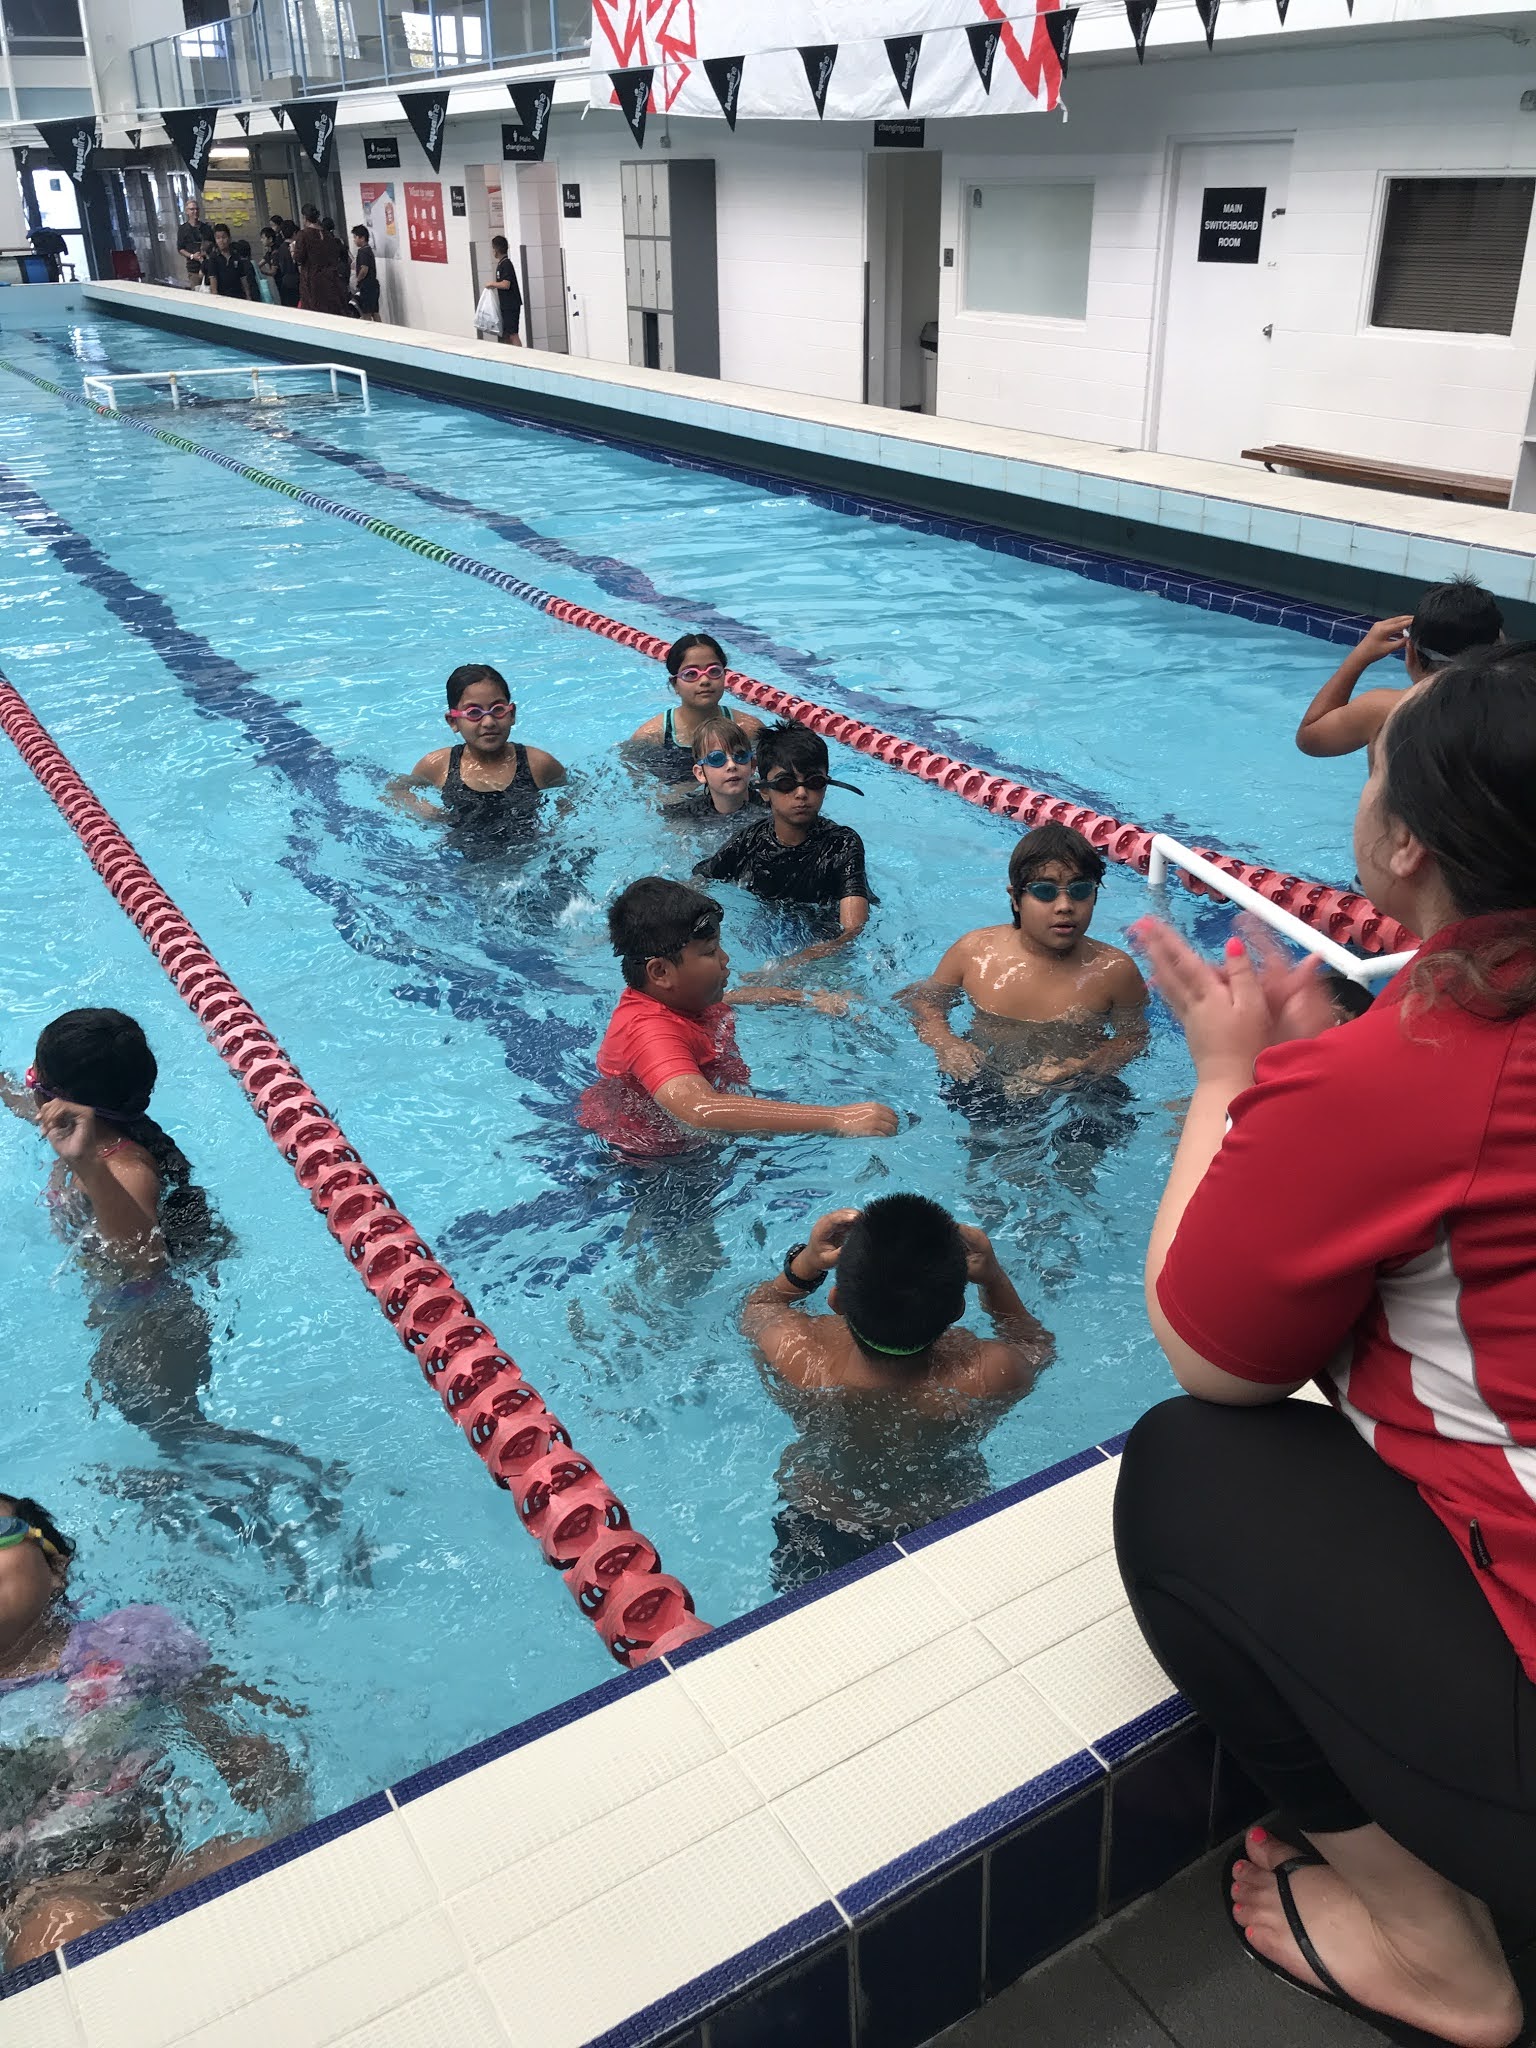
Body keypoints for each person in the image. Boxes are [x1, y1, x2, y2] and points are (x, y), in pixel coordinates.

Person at [1115, 642, 1536, 2048]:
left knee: (1193, 1471)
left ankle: (1436, 1955)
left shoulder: (1417, 1074)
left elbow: (1213, 1353)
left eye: (1371, 770)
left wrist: (1234, 1082)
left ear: (1404, 844)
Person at [0, 1011, 340, 1541]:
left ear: (66, 1103)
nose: (29, 1089)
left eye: (33, 1078)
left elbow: (142, 1260)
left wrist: (86, 1163)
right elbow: (29, 1108)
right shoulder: (98, 1132)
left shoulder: (122, 1166)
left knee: (179, 1436)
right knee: (173, 1435)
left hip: (152, 1326)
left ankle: (294, 1487)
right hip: (138, 1315)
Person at [0, 1489, 308, 1968]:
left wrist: (293, 1815)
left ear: (56, 1568)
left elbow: (237, 1741)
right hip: (36, 1906)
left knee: (256, 1859)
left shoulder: (133, 1641)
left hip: (160, 1869)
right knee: (55, 1930)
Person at [743, 1199, 1053, 1587]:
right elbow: (1035, 1344)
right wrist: (993, 1278)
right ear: (958, 1308)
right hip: (944, 1519)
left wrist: (806, 1263)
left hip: (823, 1515)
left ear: (837, 1301)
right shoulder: (987, 1371)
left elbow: (759, 1305)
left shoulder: (797, 1353)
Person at [577, 878, 897, 1156]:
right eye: (710, 952)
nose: (725, 959)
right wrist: (838, 1119)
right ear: (660, 971)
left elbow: (731, 999)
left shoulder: (682, 1000)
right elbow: (699, 1110)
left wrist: (805, 999)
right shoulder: (648, 1032)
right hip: (650, 1157)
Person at [901, 823, 1148, 1091]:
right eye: (1045, 891)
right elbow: (925, 1004)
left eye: (1080, 890)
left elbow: (1133, 1038)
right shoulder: (973, 952)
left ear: (1095, 896)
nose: (1065, 906)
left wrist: (1079, 1068)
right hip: (983, 1076)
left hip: (1076, 1090)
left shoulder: (1115, 971)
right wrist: (946, 1044)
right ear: (1016, 899)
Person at [693, 721, 875, 962]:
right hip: (770, 931)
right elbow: (699, 881)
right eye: (786, 784)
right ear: (765, 790)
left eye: (814, 782)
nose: (801, 793)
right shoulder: (750, 841)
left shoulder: (841, 844)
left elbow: (852, 931)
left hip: (825, 942)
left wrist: (798, 963)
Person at [1295, 578, 1503, 759]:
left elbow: (1310, 739)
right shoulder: (1513, 708)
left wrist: (1360, 656)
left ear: (1411, 653)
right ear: (1499, 649)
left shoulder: (1386, 709)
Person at [385, 664, 565, 846]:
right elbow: (396, 789)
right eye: (474, 713)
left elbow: (571, 800)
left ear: (512, 714)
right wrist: (424, 810)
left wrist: (555, 830)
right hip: (459, 860)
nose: (488, 721)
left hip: (529, 859)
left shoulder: (538, 764)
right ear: (453, 721)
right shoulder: (437, 765)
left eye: (498, 709)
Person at [624, 634, 765, 786]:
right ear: (675, 684)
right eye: (691, 674)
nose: (705, 681)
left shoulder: (749, 729)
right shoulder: (652, 737)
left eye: (714, 671)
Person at [664, 715, 768, 835]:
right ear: (701, 774)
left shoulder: (770, 809)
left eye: (740, 756)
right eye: (717, 758)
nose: (731, 765)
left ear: (752, 766)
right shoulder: (683, 817)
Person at [293, 204, 348, 316]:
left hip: (311, 280)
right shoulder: (328, 235)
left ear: (304, 218)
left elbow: (298, 258)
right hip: (330, 279)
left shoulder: (303, 235)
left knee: (314, 313)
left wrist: (293, 250)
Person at [490, 234, 523, 346]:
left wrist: (492, 284)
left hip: (511, 305)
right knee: (507, 334)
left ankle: (522, 356)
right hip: (505, 305)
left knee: (513, 333)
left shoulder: (506, 264)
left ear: (496, 250)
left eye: (493, 249)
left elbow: (506, 284)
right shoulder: (501, 264)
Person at [175, 200, 214, 285]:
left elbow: (213, 244)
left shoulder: (206, 228)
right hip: (193, 268)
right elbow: (180, 248)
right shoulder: (183, 229)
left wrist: (206, 252)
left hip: (209, 267)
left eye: (196, 209)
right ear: (187, 211)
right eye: (192, 209)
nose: (195, 212)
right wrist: (192, 256)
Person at [350, 223, 380, 322]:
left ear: (362, 238)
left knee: (366, 313)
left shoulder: (362, 252)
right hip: (373, 285)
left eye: (355, 237)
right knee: (375, 312)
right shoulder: (369, 250)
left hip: (366, 286)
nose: (354, 240)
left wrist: (357, 280)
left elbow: (364, 269)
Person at [268, 219, 300, 309]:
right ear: (294, 232)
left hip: (285, 281)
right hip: (297, 280)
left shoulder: (280, 248)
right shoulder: (296, 247)